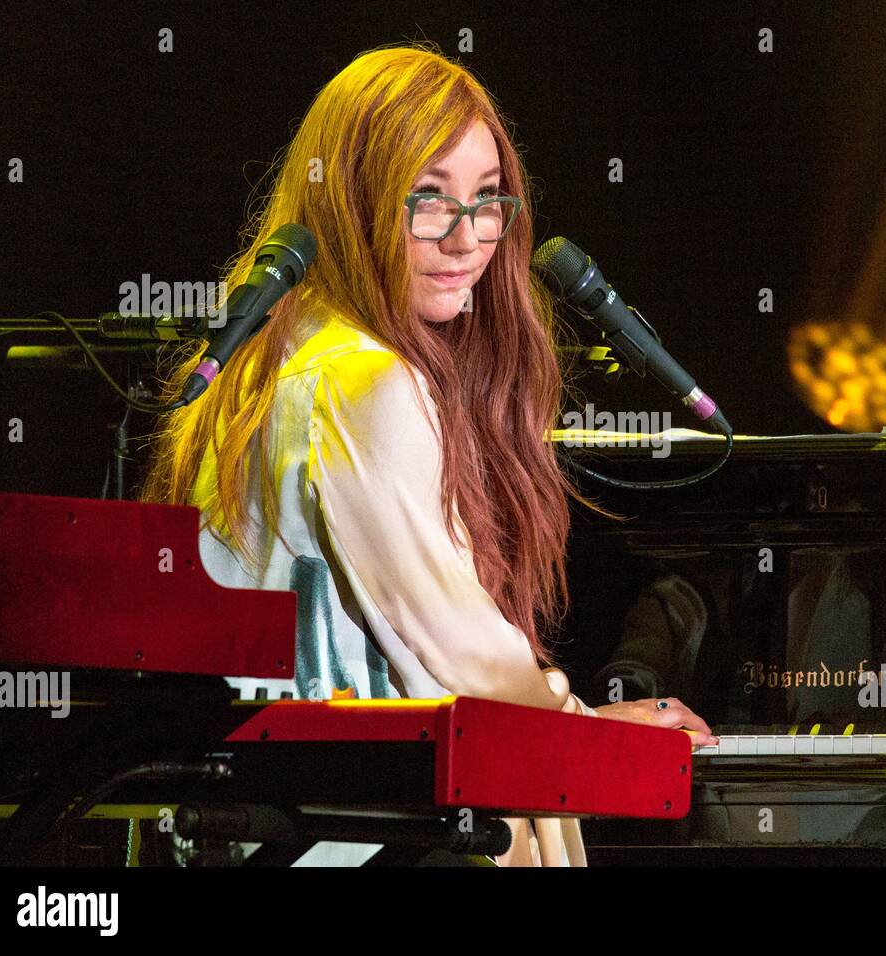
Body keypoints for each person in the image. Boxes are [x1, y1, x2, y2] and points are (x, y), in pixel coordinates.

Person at [138, 44, 715, 866]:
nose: (467, 239)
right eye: (428, 199)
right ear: (352, 200)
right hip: (352, 836)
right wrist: (589, 728)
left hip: (263, 824)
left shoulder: (282, 354)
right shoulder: (363, 382)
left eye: (487, 201)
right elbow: (467, 657)